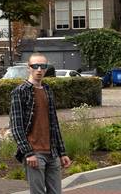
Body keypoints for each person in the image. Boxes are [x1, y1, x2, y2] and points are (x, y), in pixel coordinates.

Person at [10, 53, 71, 194]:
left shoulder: (48, 90)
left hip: (52, 152)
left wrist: (62, 153)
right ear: (29, 68)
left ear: (46, 68)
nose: (39, 69)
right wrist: (28, 153)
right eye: (35, 66)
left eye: (42, 66)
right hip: (34, 152)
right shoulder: (19, 92)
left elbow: (54, 124)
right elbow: (16, 127)